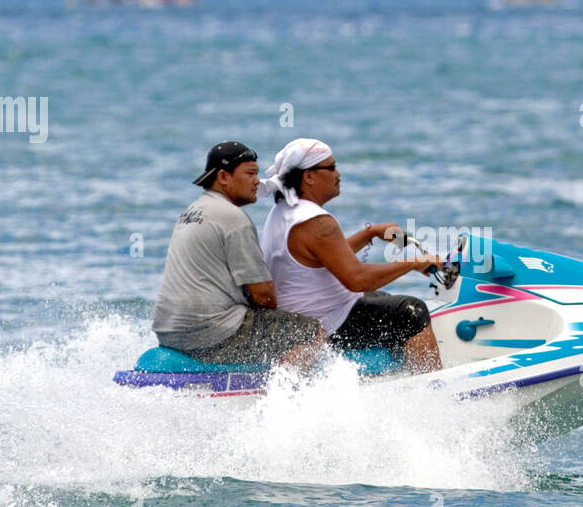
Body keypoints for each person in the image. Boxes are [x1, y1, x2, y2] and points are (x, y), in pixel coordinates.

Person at [258, 138, 443, 373]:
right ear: (309, 177)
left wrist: (370, 233)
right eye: (331, 167)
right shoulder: (317, 222)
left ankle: (395, 368)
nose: (338, 174)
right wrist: (414, 263)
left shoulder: (284, 211)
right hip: (328, 322)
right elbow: (357, 279)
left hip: (307, 314)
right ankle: (432, 385)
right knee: (411, 311)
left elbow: (324, 255)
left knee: (382, 296)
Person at [152, 141, 324, 370]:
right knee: (312, 331)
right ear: (223, 177)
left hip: (168, 332)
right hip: (211, 334)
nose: (257, 181)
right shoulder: (233, 218)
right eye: (251, 174)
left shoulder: (190, 212)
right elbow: (264, 297)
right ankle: (287, 394)